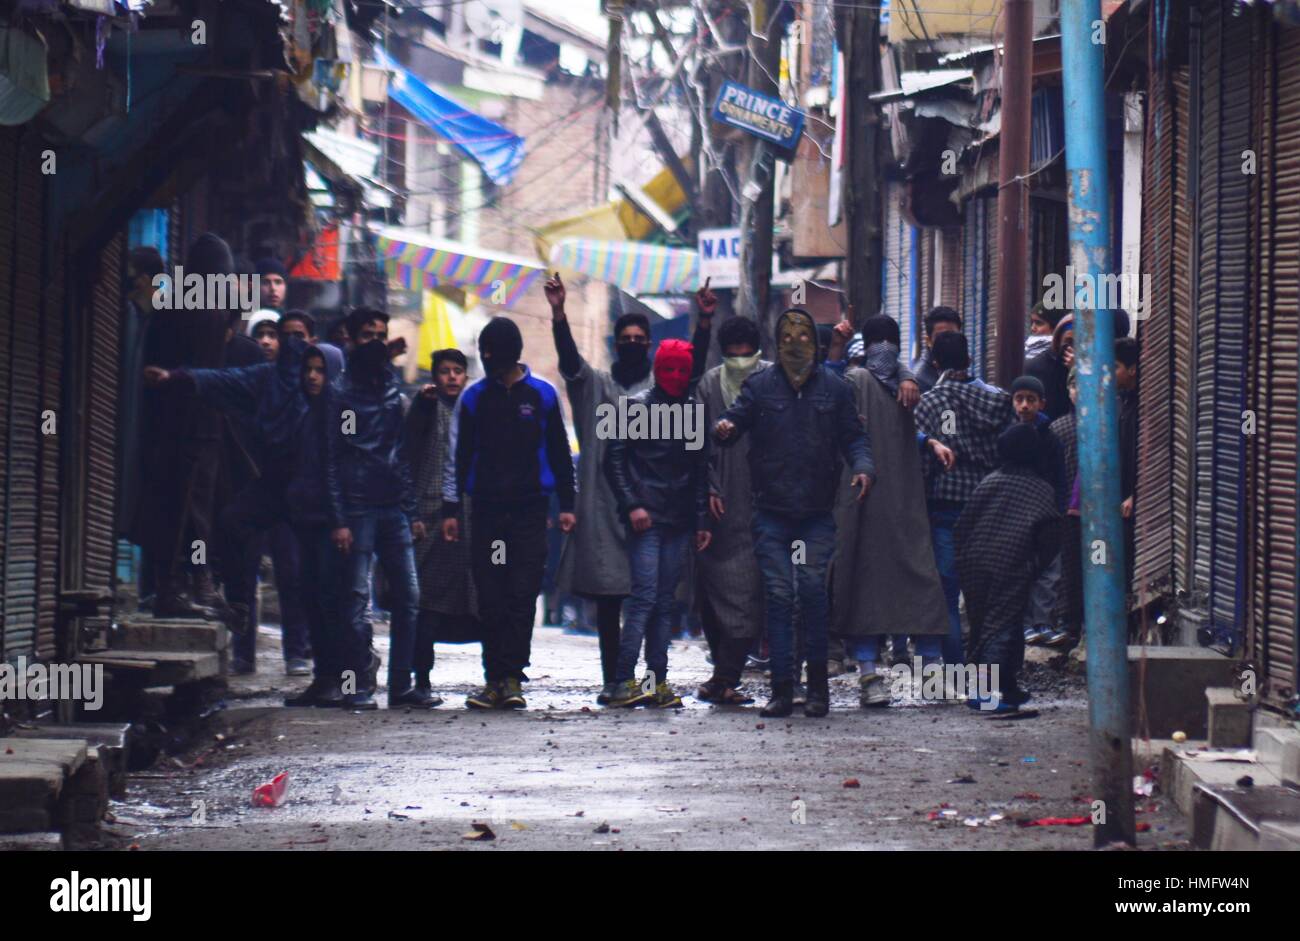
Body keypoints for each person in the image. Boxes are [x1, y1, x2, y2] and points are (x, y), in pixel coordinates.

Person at [546, 272, 712, 699]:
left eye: (642, 338)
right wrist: (559, 313)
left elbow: (688, 373)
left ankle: (650, 679)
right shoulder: (599, 386)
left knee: (654, 596)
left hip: (657, 506)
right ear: (615, 342)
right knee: (610, 595)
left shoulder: (663, 391)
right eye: (627, 337)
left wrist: (705, 325)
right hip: (606, 502)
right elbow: (569, 364)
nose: (634, 343)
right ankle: (615, 679)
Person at [714, 308, 874, 718]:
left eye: (804, 338)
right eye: (789, 338)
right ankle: (782, 689)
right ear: (779, 342)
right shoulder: (761, 386)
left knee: (812, 594)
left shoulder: (835, 390)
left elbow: (854, 438)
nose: (796, 345)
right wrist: (726, 428)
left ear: (816, 346)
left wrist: (863, 468)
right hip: (771, 512)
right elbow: (735, 421)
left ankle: (817, 688)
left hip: (816, 514)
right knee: (779, 597)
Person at [442, 317, 577, 710]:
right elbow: (458, 457)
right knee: (491, 591)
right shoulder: (473, 398)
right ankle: (494, 678)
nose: (486, 360)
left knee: (522, 591)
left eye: (491, 354)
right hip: (486, 514)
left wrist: (567, 504)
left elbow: (559, 454)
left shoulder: (543, 396)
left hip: (531, 512)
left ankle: (513, 677)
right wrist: (452, 509)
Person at [830, 316, 953, 707]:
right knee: (906, 582)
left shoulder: (898, 385)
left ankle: (881, 676)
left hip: (881, 499)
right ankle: (880, 676)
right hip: (877, 498)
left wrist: (927, 440)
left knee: (899, 583)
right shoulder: (876, 383)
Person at [131, 233, 238, 624]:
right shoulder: (184, 311)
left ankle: (194, 583)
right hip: (180, 431)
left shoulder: (204, 309)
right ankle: (175, 587)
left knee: (196, 513)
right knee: (180, 512)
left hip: (201, 429)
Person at [602, 339, 711, 708]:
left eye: (682, 369)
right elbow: (612, 461)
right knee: (647, 599)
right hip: (648, 519)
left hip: (675, 519)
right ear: (658, 368)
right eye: (670, 368)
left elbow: (699, 470)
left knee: (662, 602)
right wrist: (633, 505)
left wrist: (699, 520)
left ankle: (652, 681)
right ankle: (621, 680)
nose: (676, 376)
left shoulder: (693, 412)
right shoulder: (633, 408)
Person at [328, 324, 427, 709]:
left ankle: (400, 685)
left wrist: (410, 510)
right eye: (368, 336)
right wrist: (339, 518)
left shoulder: (390, 394)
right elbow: (334, 458)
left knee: (408, 596)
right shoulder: (343, 396)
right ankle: (359, 686)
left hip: (389, 507)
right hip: (357, 506)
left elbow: (399, 455)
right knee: (355, 599)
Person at [913, 332, 1014, 664]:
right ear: (970, 360)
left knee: (948, 595)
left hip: (946, 507)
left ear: (936, 363)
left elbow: (922, 462)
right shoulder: (1000, 401)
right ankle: (990, 667)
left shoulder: (929, 403)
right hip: (990, 505)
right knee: (985, 594)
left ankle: (957, 671)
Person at [957, 423, 1061, 715]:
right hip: (1012, 566)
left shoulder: (988, 482)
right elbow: (1051, 534)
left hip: (974, 566)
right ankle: (985, 695)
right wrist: (1033, 566)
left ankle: (1007, 687)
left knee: (984, 627)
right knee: (1000, 629)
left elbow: (963, 525)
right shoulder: (1039, 488)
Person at [284, 341, 365, 707]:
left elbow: (337, 467)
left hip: (330, 523)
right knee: (314, 600)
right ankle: (325, 678)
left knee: (334, 604)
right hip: (309, 520)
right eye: (308, 369)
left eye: (320, 370)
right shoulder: (309, 410)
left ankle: (346, 682)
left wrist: (339, 520)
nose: (312, 376)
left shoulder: (338, 408)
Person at [694, 315, 767, 704]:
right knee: (716, 591)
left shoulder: (774, 378)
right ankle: (724, 676)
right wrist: (709, 487)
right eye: (732, 355)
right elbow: (699, 444)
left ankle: (726, 676)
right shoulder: (708, 385)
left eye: (747, 355)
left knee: (750, 592)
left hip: (765, 500)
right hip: (721, 504)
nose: (740, 363)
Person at [405, 348, 479, 697]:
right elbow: (406, 454)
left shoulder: (474, 410)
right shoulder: (424, 408)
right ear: (434, 376)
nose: (451, 377)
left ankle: (497, 679)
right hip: (429, 518)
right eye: (445, 371)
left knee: (473, 597)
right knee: (426, 601)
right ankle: (419, 678)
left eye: (457, 371)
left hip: (467, 519)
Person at [1010, 375, 1070, 648]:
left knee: (1048, 571)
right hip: (1016, 516)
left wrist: (1057, 511)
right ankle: (1023, 625)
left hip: (1046, 516)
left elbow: (1060, 478)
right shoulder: (1006, 434)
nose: (1024, 406)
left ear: (1041, 403)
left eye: (1030, 400)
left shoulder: (1050, 438)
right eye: (1019, 399)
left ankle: (1042, 622)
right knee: (1021, 571)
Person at [1116, 336, 1140, 590]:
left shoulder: (1142, 406)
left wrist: (1135, 494)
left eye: (1115, 367)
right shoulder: (1124, 402)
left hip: (1133, 503)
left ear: (1132, 370)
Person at [911, 306, 963, 392]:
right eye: (941, 337)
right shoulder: (920, 381)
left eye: (952, 335)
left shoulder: (958, 367)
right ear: (928, 341)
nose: (948, 341)